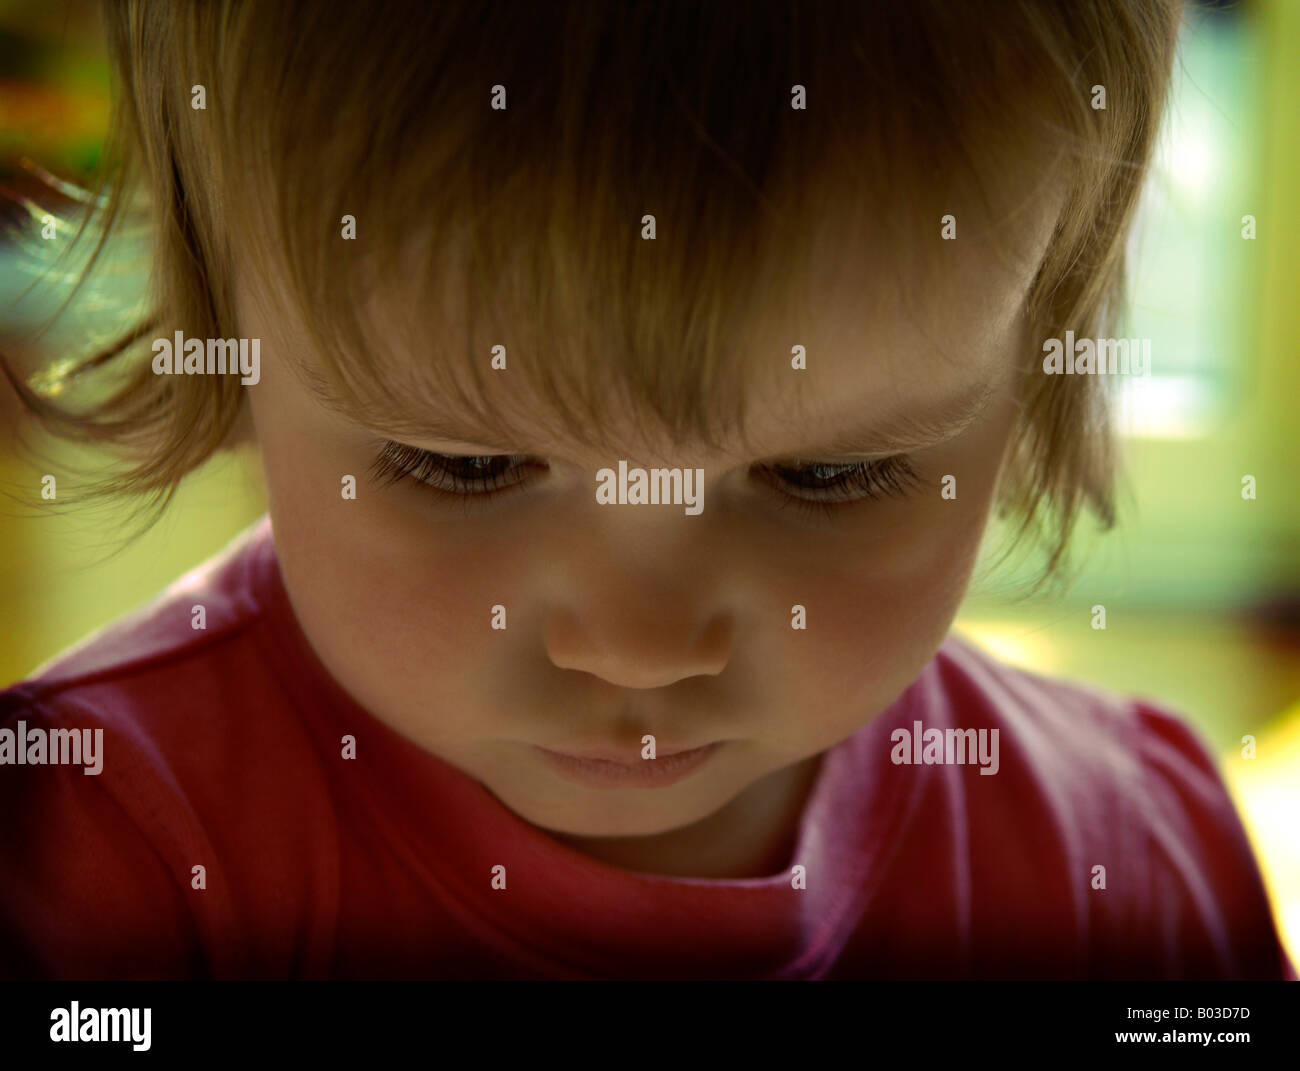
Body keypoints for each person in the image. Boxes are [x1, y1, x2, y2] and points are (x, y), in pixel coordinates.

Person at [0, 0, 1291, 979]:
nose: (639, 646)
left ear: (1031, 375)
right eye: (466, 465)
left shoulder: (1128, 867)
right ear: (230, 347)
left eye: (827, 475)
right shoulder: (95, 857)